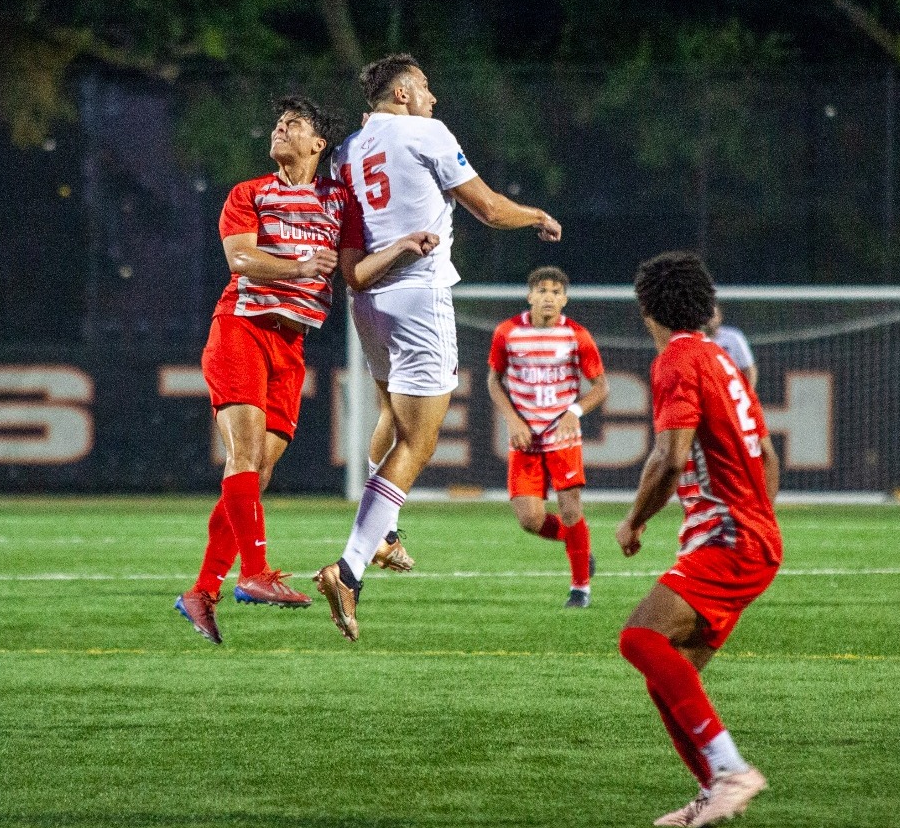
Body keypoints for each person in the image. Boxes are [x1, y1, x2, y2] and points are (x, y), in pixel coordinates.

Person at [314, 53, 563, 641]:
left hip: (368, 300)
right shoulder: (425, 131)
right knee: (419, 442)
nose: (433, 98)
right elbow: (486, 207)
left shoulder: (349, 147)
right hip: (420, 295)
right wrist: (536, 217)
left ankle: (386, 532)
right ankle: (348, 568)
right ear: (401, 93)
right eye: (425, 88)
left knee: (389, 417)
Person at [175, 97, 439, 644]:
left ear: (319, 145)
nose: (279, 129)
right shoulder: (248, 194)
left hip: (290, 347)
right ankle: (253, 573)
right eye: (276, 123)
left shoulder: (339, 200)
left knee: (254, 474)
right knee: (244, 458)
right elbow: (240, 258)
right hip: (241, 328)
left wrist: (404, 248)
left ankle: (202, 590)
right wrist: (297, 266)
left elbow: (353, 272)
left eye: (292, 124)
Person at [614, 251, 782, 828]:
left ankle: (731, 769)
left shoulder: (677, 361)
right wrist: (758, 516)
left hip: (730, 539)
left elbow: (670, 456)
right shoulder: (721, 358)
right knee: (670, 671)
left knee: (639, 639)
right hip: (749, 537)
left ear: (646, 310)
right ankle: (716, 790)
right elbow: (764, 453)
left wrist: (634, 521)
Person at [486, 266, 609, 606]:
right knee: (529, 519)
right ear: (530, 296)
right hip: (524, 438)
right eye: (542, 291)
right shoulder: (507, 332)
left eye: (556, 292)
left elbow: (601, 387)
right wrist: (512, 420)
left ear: (564, 299)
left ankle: (580, 588)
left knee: (571, 509)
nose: (548, 297)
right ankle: (579, 549)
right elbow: (493, 381)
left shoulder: (577, 336)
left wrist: (574, 412)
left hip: (562, 437)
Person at [708, 305, 758, 391]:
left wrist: (748, 394)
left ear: (720, 317)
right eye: (706, 316)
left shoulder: (733, 337)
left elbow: (749, 369)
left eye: (713, 315)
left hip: (730, 393)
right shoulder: (693, 340)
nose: (710, 320)